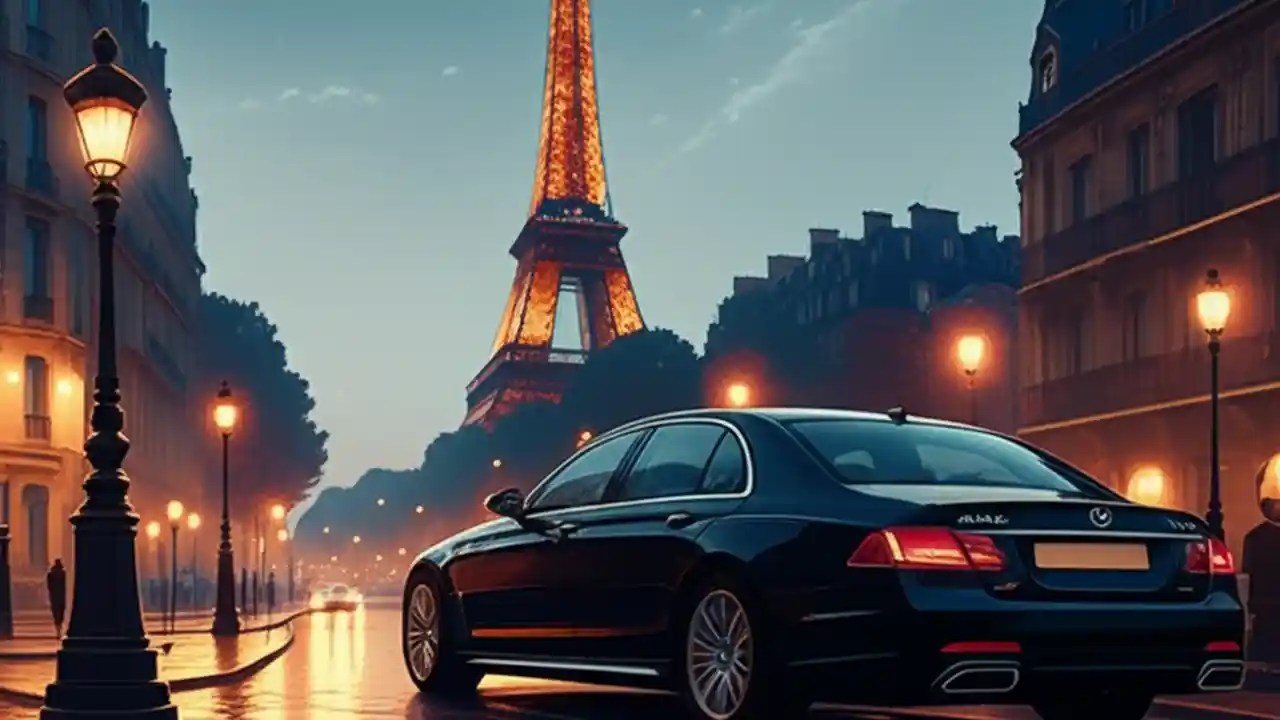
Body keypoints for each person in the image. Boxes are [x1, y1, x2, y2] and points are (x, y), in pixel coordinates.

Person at [46, 559, 66, 637]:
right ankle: (59, 629)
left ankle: (58, 631)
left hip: (54, 596)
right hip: (62, 596)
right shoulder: (63, 574)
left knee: (56, 613)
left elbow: (49, 586)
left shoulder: (50, 574)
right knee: (61, 613)